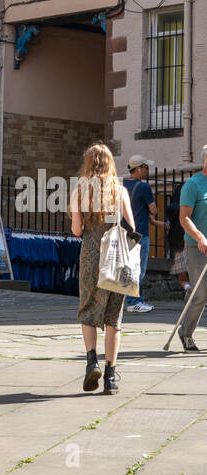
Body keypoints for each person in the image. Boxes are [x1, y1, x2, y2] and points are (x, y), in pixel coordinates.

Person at [70, 143, 136, 394]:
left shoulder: (79, 191)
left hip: (90, 256)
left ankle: (91, 362)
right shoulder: (119, 191)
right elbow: (131, 227)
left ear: (87, 163)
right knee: (113, 317)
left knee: (88, 309)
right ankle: (110, 376)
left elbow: (76, 230)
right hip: (115, 258)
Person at [122, 154, 161, 313]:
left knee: (128, 267)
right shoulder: (144, 188)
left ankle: (135, 299)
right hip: (140, 234)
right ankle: (134, 302)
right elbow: (154, 210)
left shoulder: (122, 186)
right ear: (138, 169)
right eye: (145, 168)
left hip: (125, 232)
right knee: (139, 269)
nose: (147, 171)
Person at [177, 145, 207, 352]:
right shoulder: (193, 185)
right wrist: (200, 237)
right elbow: (184, 217)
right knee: (201, 293)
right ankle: (185, 333)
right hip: (197, 247)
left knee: (198, 292)